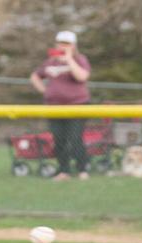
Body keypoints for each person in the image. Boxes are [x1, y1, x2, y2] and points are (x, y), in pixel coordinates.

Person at [29, 29, 91, 181]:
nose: (63, 46)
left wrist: (69, 60)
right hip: (54, 107)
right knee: (59, 139)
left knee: (75, 138)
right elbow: (35, 76)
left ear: (74, 45)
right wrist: (45, 91)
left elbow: (82, 76)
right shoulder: (50, 62)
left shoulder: (80, 59)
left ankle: (82, 170)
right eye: (61, 43)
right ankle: (64, 171)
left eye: (67, 44)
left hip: (77, 105)